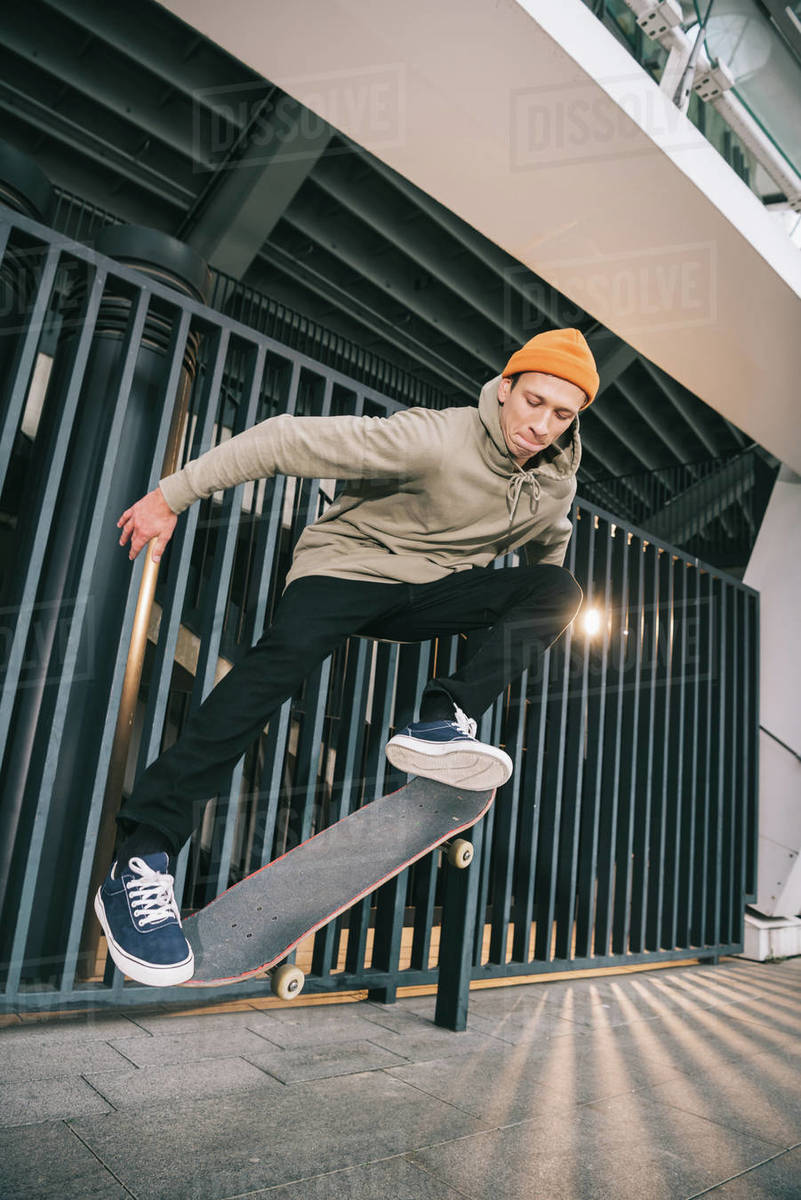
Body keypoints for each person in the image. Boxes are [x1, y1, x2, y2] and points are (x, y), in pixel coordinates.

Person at [94, 327, 598, 986]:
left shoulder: (554, 484)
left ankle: (440, 717)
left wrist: (518, 636)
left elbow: (548, 548)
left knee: (559, 589)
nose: (540, 425)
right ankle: (143, 856)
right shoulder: (432, 438)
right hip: (345, 570)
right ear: (504, 390)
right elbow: (280, 439)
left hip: (427, 594)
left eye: (561, 415)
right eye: (532, 401)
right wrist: (171, 495)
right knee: (271, 676)